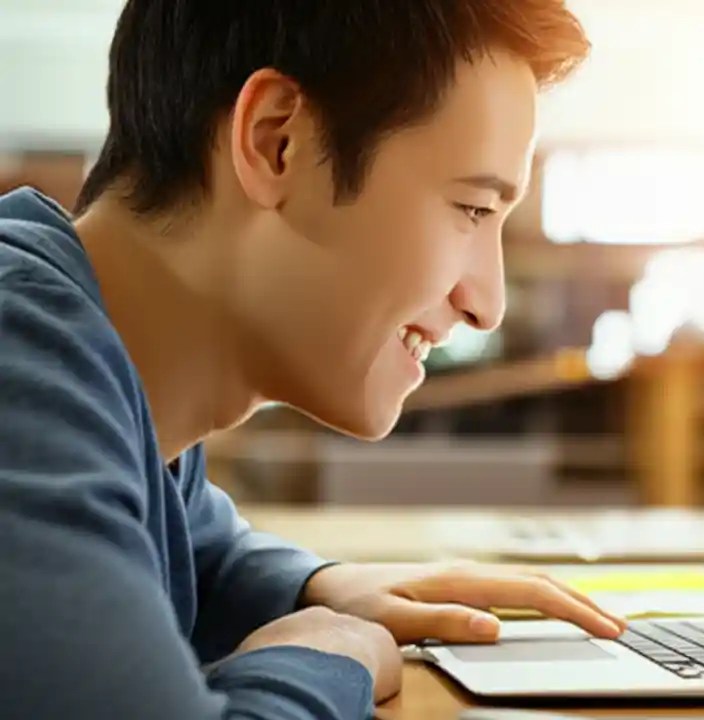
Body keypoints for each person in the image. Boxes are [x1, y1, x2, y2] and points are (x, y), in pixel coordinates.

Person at [0, 2, 625, 718]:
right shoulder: (19, 365)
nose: (488, 302)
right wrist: (329, 656)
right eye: (472, 210)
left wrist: (318, 589)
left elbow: (190, 541)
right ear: (277, 143)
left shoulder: (96, 361)